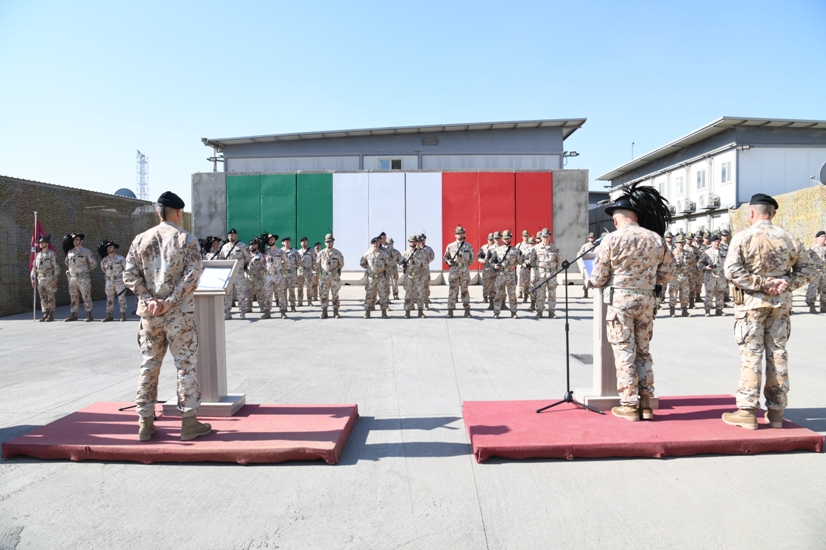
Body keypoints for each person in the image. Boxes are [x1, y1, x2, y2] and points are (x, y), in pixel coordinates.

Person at [122, 191, 211, 442]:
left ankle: (145, 423)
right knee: (185, 366)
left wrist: (150, 300)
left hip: (149, 315)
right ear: (179, 213)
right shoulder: (186, 239)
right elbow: (193, 275)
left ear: (157, 213)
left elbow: (129, 275)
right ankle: (188, 423)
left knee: (149, 365)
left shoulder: (140, 239)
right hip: (178, 315)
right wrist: (169, 302)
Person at [721, 194, 815, 430]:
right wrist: (786, 283)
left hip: (751, 305)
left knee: (751, 354)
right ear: (773, 214)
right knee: (777, 353)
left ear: (750, 213)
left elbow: (732, 271)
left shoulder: (743, 237)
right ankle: (776, 413)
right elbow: (809, 270)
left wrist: (761, 284)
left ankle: (747, 411)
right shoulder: (789, 237)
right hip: (780, 305)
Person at [588, 183, 674, 421]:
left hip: (620, 303)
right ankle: (646, 403)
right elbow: (667, 273)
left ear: (616, 221)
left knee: (624, 351)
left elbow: (598, 278)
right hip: (647, 301)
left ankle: (628, 404)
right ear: (636, 217)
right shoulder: (656, 239)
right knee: (643, 351)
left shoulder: (611, 240)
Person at [63, 232, 97, 322]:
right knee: (73, 296)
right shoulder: (70, 252)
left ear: (81, 241)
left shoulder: (86, 252)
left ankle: (89, 314)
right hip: (72, 278)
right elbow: (66, 262)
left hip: (83, 278)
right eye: (74, 240)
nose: (75, 241)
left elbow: (94, 263)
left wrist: (85, 270)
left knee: (86, 296)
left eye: (77, 239)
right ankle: (74, 314)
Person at [444, 225, 475, 318]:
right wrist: (448, 261)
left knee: (464, 290)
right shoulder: (450, 246)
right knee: (452, 290)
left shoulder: (468, 246)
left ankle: (467, 310)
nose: (460, 235)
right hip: (454, 270)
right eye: (458, 234)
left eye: (461, 233)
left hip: (464, 270)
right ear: (455, 235)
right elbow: (445, 257)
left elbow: (472, 258)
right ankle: (450, 310)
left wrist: (465, 265)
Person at [220, 228, 251, 320]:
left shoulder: (242, 246)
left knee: (240, 292)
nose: (231, 237)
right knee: (228, 293)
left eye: (233, 235)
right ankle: (227, 312)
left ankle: (242, 311)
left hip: (239, 273)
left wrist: (241, 265)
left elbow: (248, 257)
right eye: (229, 235)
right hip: (228, 273)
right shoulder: (224, 247)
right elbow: (221, 258)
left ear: (236, 236)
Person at [490, 230, 521, 318]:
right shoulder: (497, 250)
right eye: (505, 239)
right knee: (498, 293)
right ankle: (496, 312)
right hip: (501, 274)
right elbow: (492, 260)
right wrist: (494, 265)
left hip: (511, 274)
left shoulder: (515, 250)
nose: (507, 240)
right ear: (502, 239)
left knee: (512, 294)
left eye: (508, 238)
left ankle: (513, 312)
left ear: (510, 238)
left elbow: (520, 261)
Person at [532, 228, 560, 319]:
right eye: (544, 237)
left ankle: (551, 312)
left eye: (547, 237)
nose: (545, 239)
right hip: (541, 275)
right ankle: (539, 311)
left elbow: (559, 260)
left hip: (552, 274)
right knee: (540, 293)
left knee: (552, 293)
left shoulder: (554, 248)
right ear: (541, 237)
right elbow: (532, 261)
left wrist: (555, 270)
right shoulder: (536, 248)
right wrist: (538, 266)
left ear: (549, 237)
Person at [30, 235, 60, 322]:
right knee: (42, 297)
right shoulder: (37, 255)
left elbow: (57, 268)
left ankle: (51, 314)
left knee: (50, 296)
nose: (40, 244)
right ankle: (45, 313)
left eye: (42, 242)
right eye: (39, 243)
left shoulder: (51, 254)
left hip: (49, 278)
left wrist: (55, 279)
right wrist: (33, 278)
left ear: (47, 244)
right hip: (40, 279)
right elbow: (33, 269)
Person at [360, 237, 390, 318]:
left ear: (379, 244)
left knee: (383, 295)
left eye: (377, 243)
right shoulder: (367, 254)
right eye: (374, 243)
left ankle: (384, 312)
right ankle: (367, 312)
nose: (376, 245)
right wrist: (370, 269)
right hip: (371, 278)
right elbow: (362, 263)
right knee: (369, 295)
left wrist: (381, 269)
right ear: (371, 244)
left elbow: (388, 264)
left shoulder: (384, 254)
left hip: (381, 278)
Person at [697, 235, 727, 316]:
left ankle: (719, 309)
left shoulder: (723, 252)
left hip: (721, 276)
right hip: (710, 276)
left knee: (720, 293)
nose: (717, 243)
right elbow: (700, 263)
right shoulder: (707, 252)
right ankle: (707, 310)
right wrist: (705, 267)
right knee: (709, 293)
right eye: (715, 242)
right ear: (712, 242)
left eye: (718, 241)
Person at [99, 240, 128, 322]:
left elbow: (126, 269)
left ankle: (123, 314)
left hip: (119, 280)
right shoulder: (104, 260)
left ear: (115, 249)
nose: (109, 248)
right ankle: (109, 315)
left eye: (111, 247)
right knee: (109, 298)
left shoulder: (121, 259)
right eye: (108, 247)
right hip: (109, 281)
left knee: (121, 298)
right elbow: (103, 269)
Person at [317, 234, 344, 318]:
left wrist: (335, 272)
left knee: (335, 295)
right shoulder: (321, 253)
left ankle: (336, 312)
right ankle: (324, 312)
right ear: (325, 243)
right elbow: (317, 265)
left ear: (333, 242)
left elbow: (341, 264)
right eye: (327, 242)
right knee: (324, 295)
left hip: (334, 277)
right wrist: (320, 275)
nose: (329, 243)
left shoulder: (337, 253)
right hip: (324, 278)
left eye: (330, 242)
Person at [402, 234, 428, 318]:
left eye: (414, 241)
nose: (412, 243)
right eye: (411, 241)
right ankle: (407, 312)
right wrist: (401, 266)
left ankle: (420, 312)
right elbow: (400, 263)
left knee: (420, 294)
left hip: (418, 277)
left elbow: (425, 266)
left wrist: (423, 277)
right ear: (408, 242)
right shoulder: (405, 253)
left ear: (416, 242)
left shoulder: (422, 253)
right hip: (408, 277)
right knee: (408, 295)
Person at [667, 234, 691, 317]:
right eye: (679, 242)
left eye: (682, 242)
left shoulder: (688, 253)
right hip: (675, 277)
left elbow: (691, 263)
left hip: (685, 276)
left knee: (685, 294)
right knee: (673, 294)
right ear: (676, 243)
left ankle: (684, 310)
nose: (680, 244)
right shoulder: (671, 253)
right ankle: (672, 311)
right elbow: (667, 265)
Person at [804, 230, 826, 314]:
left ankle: (823, 306)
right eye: (822, 237)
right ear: (816, 238)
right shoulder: (812, 249)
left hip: (824, 271)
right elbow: (805, 258)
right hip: (816, 271)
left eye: (825, 237)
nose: (824, 238)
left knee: (824, 289)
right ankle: (811, 305)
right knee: (813, 288)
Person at [246, 238, 268, 314]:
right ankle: (248, 307)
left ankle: (262, 307)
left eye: (254, 244)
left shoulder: (260, 255)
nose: (252, 246)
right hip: (249, 277)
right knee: (249, 293)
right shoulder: (247, 255)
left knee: (260, 293)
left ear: (257, 246)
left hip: (258, 277)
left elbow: (265, 266)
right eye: (251, 244)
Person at [296, 237, 317, 307]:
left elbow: (315, 260)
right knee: (299, 287)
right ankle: (299, 301)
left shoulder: (311, 251)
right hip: (300, 271)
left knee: (309, 287)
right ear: (300, 243)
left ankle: (309, 302)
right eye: (302, 242)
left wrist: (314, 269)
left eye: (305, 241)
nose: (303, 243)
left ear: (307, 242)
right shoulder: (298, 252)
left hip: (308, 271)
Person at [477, 233, 497, 309]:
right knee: (486, 283)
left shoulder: (496, 248)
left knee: (494, 284)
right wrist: (483, 261)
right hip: (486, 268)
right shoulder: (484, 248)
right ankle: (485, 297)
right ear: (487, 240)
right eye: (490, 240)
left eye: (492, 240)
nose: (491, 241)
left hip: (494, 269)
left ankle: (494, 298)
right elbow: (479, 257)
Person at [577, 232, 597, 298]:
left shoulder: (597, 246)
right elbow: (580, 254)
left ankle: (595, 294)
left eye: (593, 238)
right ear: (588, 238)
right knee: (586, 280)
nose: (592, 239)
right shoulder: (585, 246)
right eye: (590, 238)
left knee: (595, 279)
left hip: (595, 264)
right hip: (587, 264)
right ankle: (586, 293)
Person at [419, 233, 435, 309]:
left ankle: (426, 302)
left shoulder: (428, 249)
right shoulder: (416, 249)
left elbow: (432, 256)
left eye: (423, 239)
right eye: (421, 239)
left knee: (425, 286)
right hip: (417, 271)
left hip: (425, 270)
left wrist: (427, 261)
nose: (422, 241)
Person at [517, 230, 533, 302]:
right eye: (524, 236)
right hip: (520, 265)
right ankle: (520, 292)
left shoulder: (531, 244)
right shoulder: (519, 245)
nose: (525, 237)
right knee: (520, 279)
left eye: (526, 236)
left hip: (529, 266)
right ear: (522, 236)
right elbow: (516, 255)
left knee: (529, 279)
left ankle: (528, 292)